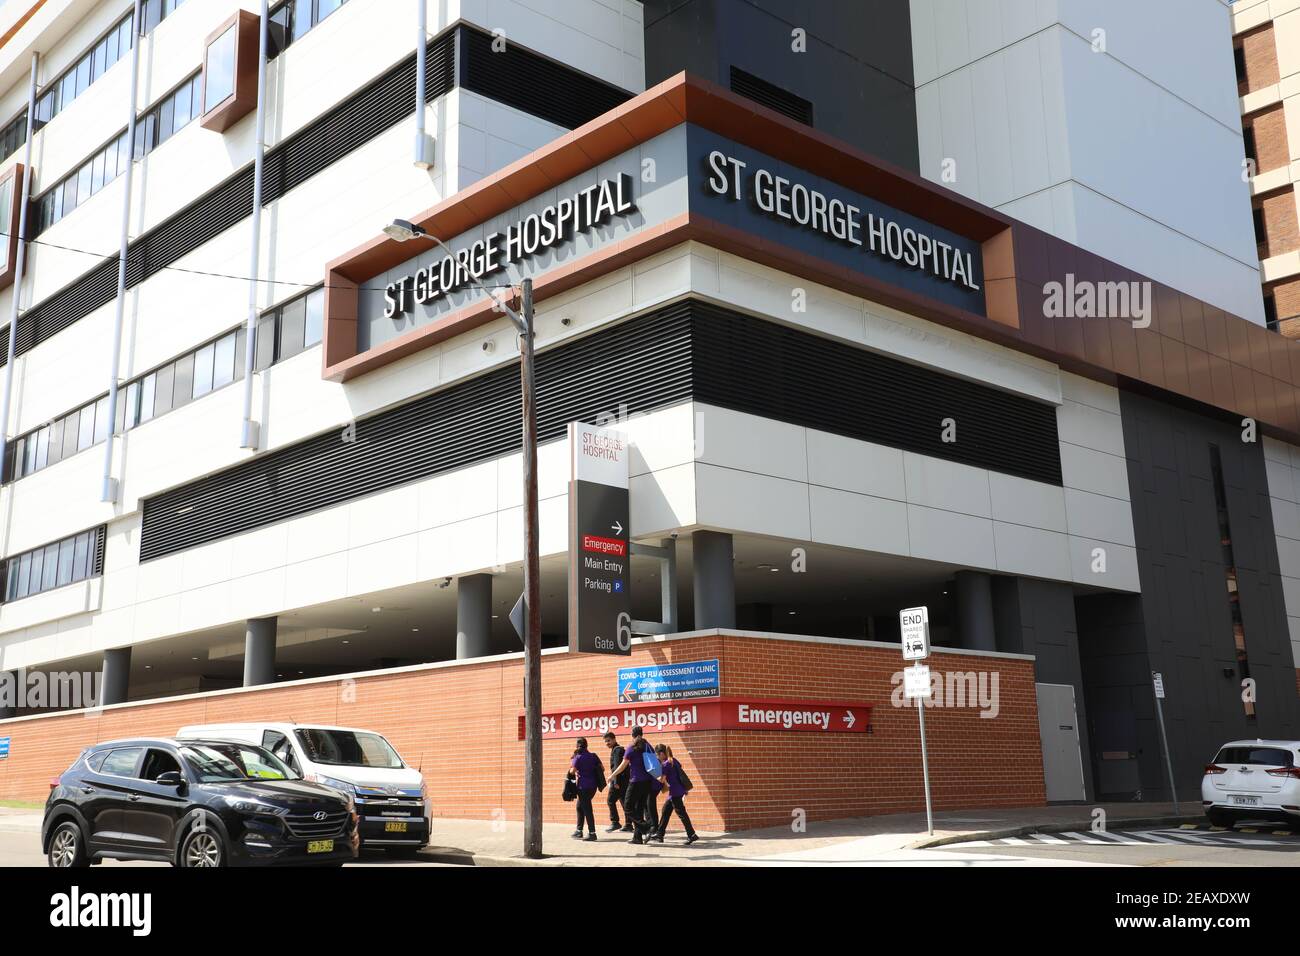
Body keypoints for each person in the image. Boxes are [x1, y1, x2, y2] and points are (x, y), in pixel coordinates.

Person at [606, 725, 658, 844]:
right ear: (642, 734)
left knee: (628, 807)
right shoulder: (648, 746)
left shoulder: (632, 747)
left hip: (635, 781)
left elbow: (623, 765)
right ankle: (637, 838)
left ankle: (647, 827)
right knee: (638, 808)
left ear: (632, 735)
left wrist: (612, 775)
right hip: (648, 782)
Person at [653, 744, 698, 845]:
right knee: (666, 811)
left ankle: (691, 834)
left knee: (682, 814)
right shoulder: (673, 760)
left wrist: (653, 775)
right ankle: (660, 834)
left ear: (661, 754)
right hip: (678, 790)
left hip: (675, 792)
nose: (657, 758)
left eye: (657, 755)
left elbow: (662, 780)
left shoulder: (665, 764)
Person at [568, 737, 602, 841]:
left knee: (587, 809)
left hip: (583, 787)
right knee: (580, 807)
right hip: (593, 787)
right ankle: (579, 831)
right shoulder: (593, 756)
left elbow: (572, 771)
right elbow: (602, 768)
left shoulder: (578, 757)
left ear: (577, 746)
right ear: (586, 746)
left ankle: (592, 833)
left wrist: (573, 765)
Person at [603, 731, 631, 832]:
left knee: (610, 801)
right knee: (624, 803)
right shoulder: (618, 750)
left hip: (619, 782)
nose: (607, 743)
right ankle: (628, 824)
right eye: (606, 741)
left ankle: (615, 822)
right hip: (624, 781)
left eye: (609, 740)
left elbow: (617, 766)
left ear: (614, 739)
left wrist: (615, 782)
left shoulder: (617, 750)